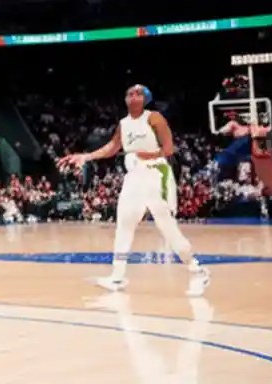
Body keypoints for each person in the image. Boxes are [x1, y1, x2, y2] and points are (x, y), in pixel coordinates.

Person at [58, 85, 210, 296]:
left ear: (146, 99)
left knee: (166, 226)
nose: (133, 95)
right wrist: (85, 156)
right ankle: (117, 277)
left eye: (138, 93)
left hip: (157, 174)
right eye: (130, 93)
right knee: (124, 224)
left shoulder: (154, 118)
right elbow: (112, 147)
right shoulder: (124, 123)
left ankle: (197, 270)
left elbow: (169, 149)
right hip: (134, 177)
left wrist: (150, 154)